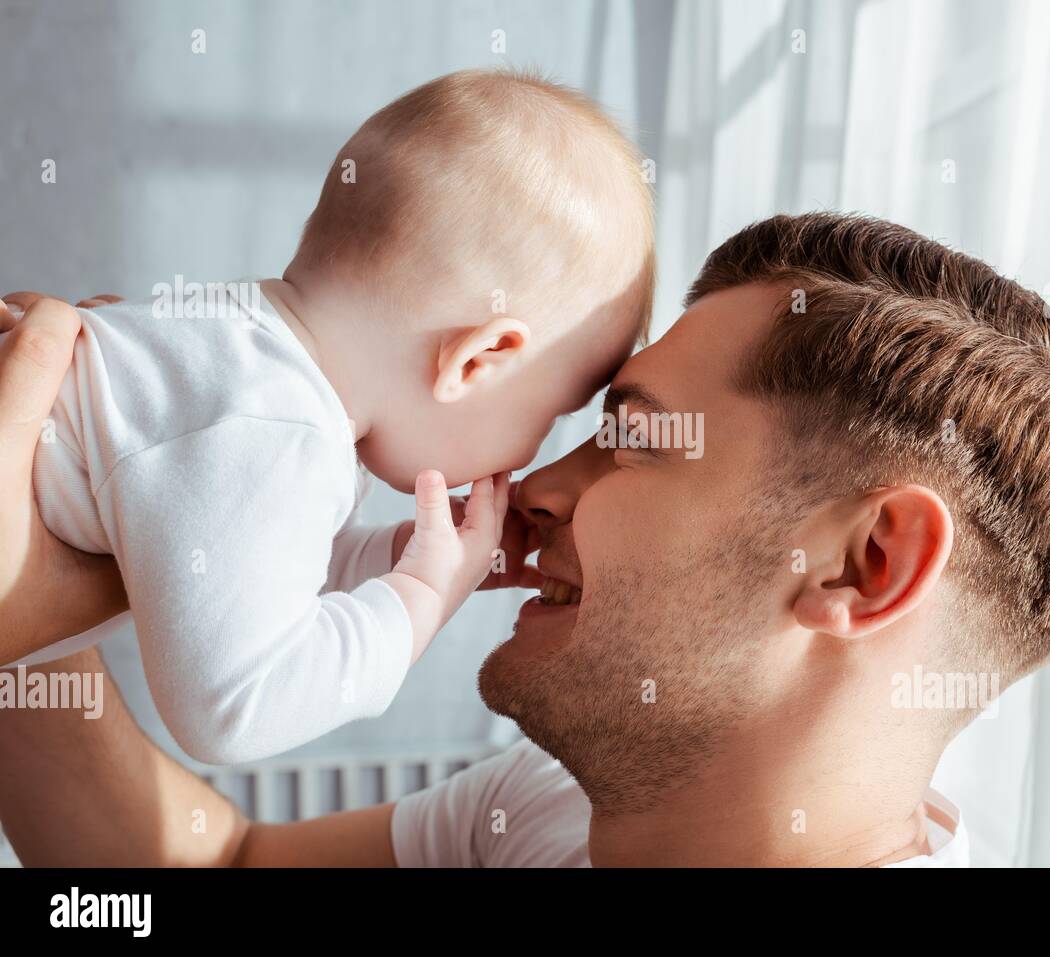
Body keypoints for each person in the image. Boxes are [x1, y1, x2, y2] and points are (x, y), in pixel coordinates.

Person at [0, 212, 1050, 866]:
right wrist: (82, 513)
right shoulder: (551, 808)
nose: (534, 485)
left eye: (633, 438)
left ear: (869, 566)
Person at [0, 69, 654, 765]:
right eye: (550, 412)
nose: (528, 455)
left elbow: (258, 573)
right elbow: (234, 706)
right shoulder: (279, 432)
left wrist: (406, 556)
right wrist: (420, 597)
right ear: (478, 359)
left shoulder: (241, 352)